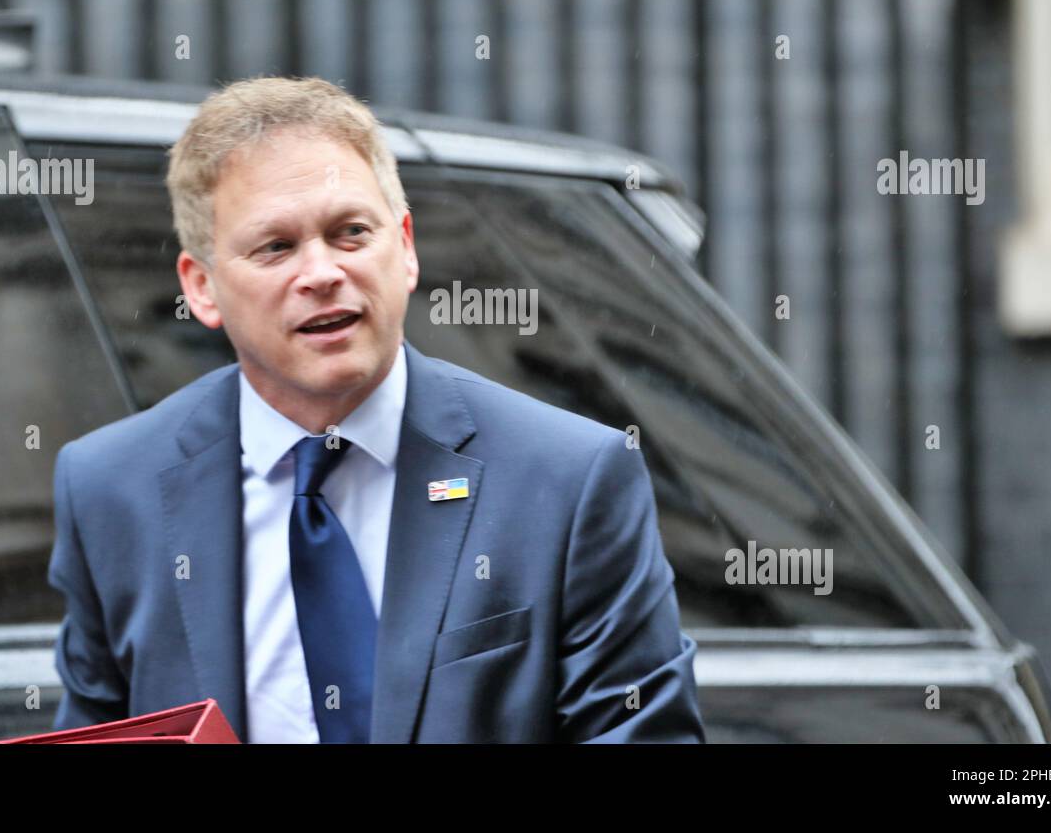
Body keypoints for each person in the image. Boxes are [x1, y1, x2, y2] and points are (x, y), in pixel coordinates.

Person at [47, 75, 705, 743]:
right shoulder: (111, 487)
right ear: (202, 288)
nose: (322, 271)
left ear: (407, 247)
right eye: (275, 247)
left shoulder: (567, 478)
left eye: (350, 232)